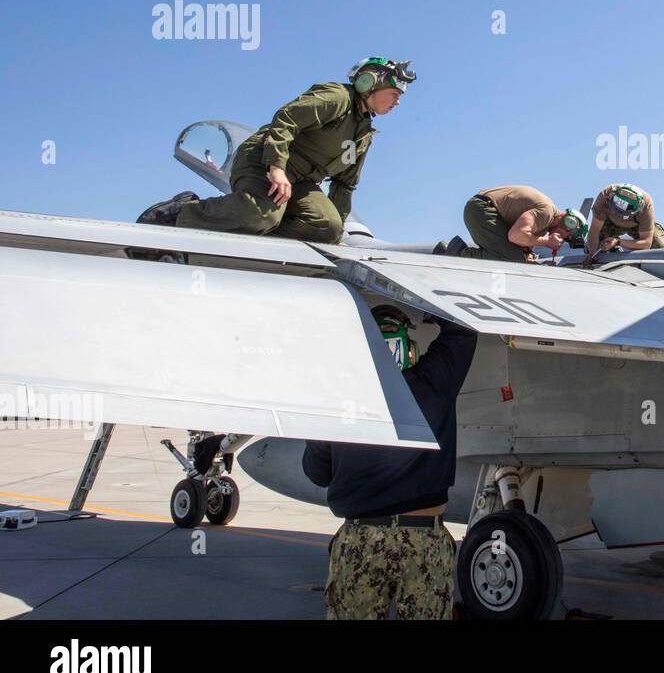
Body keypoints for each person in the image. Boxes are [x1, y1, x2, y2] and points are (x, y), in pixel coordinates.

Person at [303, 305, 477, 620]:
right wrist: (428, 303)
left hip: (360, 541)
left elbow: (317, 473)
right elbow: (463, 331)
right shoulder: (432, 384)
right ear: (407, 350)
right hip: (424, 538)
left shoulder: (338, 401)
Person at [137, 57, 415, 244]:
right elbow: (286, 120)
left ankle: (261, 236)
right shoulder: (337, 98)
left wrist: (337, 237)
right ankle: (180, 213)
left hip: (300, 181)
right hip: (263, 161)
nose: (397, 102)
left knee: (327, 227)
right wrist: (277, 168)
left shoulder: (364, 133)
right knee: (261, 214)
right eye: (395, 94)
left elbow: (344, 185)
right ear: (370, 83)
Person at [452, 185, 586, 263]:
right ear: (569, 222)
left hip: (487, 210)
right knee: (511, 258)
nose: (564, 238)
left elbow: (522, 244)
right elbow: (515, 236)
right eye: (569, 235)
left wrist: (529, 256)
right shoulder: (546, 213)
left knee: (517, 258)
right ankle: (456, 253)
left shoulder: (544, 225)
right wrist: (546, 242)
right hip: (482, 209)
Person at [583, 183, 664, 263]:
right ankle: (610, 251)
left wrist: (618, 242)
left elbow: (646, 243)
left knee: (661, 247)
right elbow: (594, 231)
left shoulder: (646, 205)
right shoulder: (604, 196)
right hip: (610, 222)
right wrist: (592, 253)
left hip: (636, 225)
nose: (620, 216)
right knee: (590, 246)